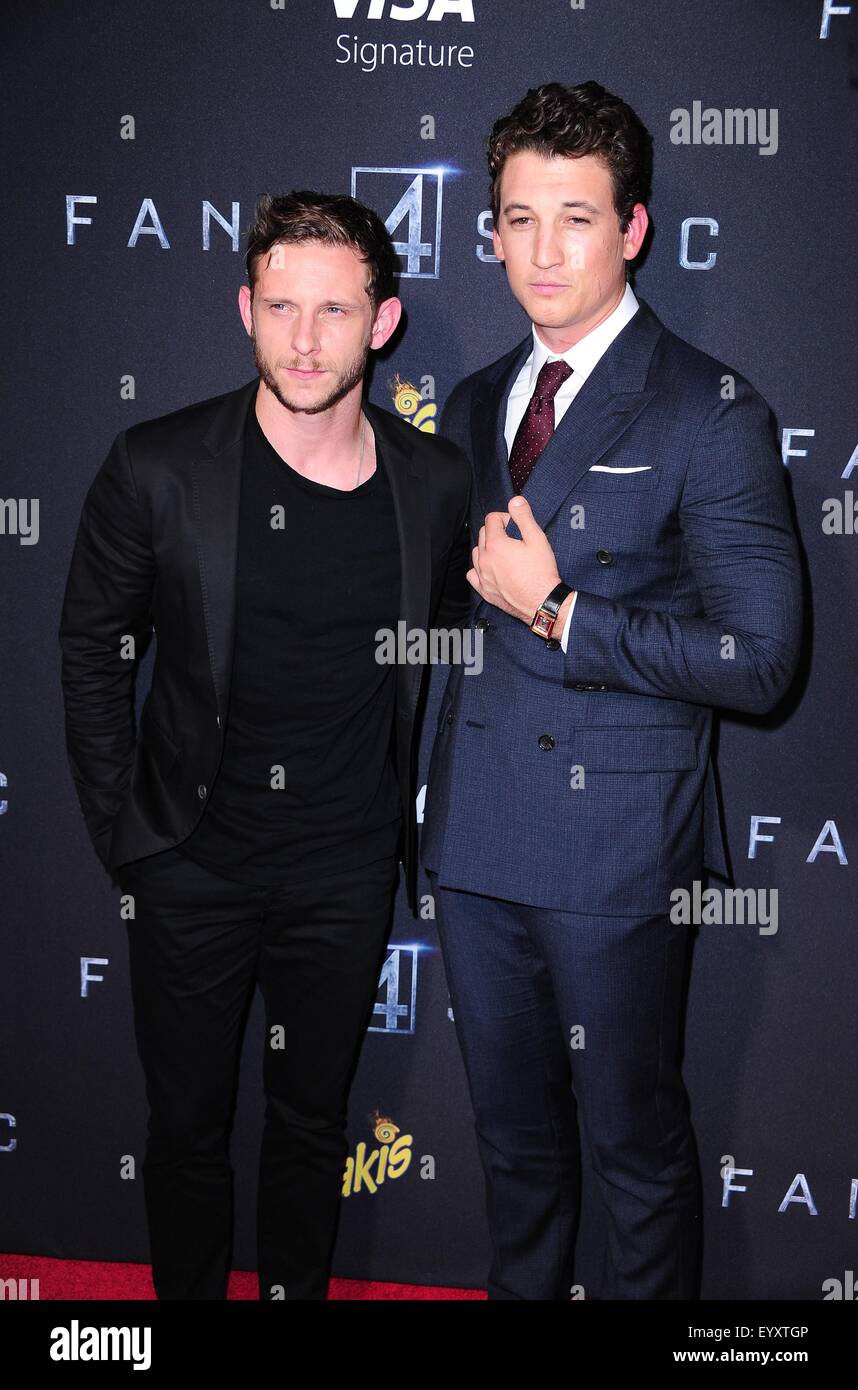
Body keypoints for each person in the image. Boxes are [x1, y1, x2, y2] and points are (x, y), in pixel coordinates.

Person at [421, 81, 802, 1300]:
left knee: (634, 1156)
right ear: (490, 229)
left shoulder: (713, 408)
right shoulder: (475, 401)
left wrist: (561, 610)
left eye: (575, 218)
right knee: (512, 1155)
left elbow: (761, 660)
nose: (542, 250)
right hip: (474, 844)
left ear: (632, 230)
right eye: (519, 218)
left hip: (618, 859)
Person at [58, 190, 471, 1300]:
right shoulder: (159, 466)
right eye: (280, 306)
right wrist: (126, 836)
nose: (303, 339)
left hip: (341, 871)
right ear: (245, 307)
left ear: (382, 323)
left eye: (333, 310)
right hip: (191, 863)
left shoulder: (434, 486)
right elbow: (93, 648)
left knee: (311, 1124)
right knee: (186, 1128)